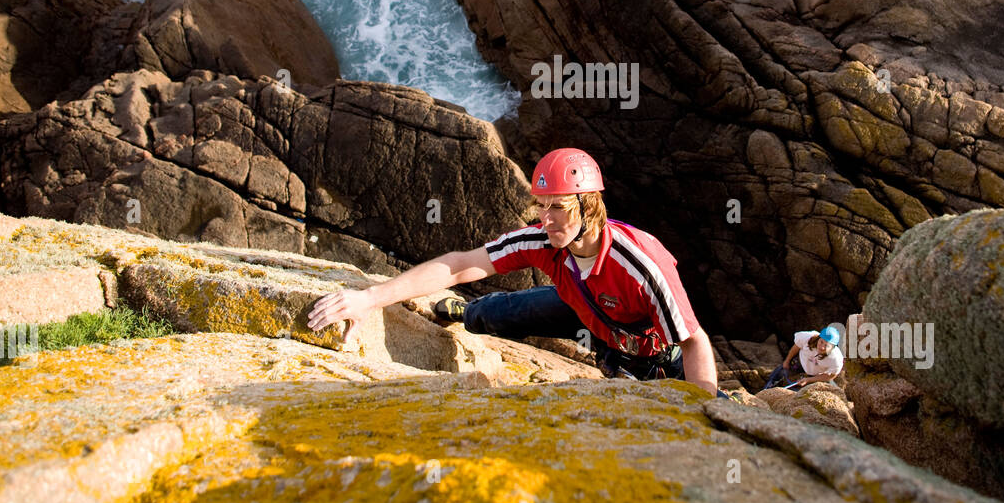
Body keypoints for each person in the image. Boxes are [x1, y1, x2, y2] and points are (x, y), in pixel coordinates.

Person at [307, 147, 721, 395]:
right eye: (541, 205)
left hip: (643, 349)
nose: (545, 218)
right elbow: (458, 265)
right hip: (583, 308)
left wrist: (702, 405)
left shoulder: (640, 264)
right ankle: (461, 313)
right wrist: (368, 298)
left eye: (557, 207)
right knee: (495, 312)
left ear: (588, 206)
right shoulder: (544, 240)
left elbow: (693, 340)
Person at [763, 325, 843, 390]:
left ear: (833, 347)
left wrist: (809, 380)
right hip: (800, 362)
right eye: (821, 342)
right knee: (780, 372)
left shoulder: (836, 359)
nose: (822, 347)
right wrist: (787, 361)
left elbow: (831, 375)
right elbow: (796, 348)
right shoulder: (808, 337)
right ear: (819, 338)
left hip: (815, 373)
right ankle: (767, 389)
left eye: (827, 345)